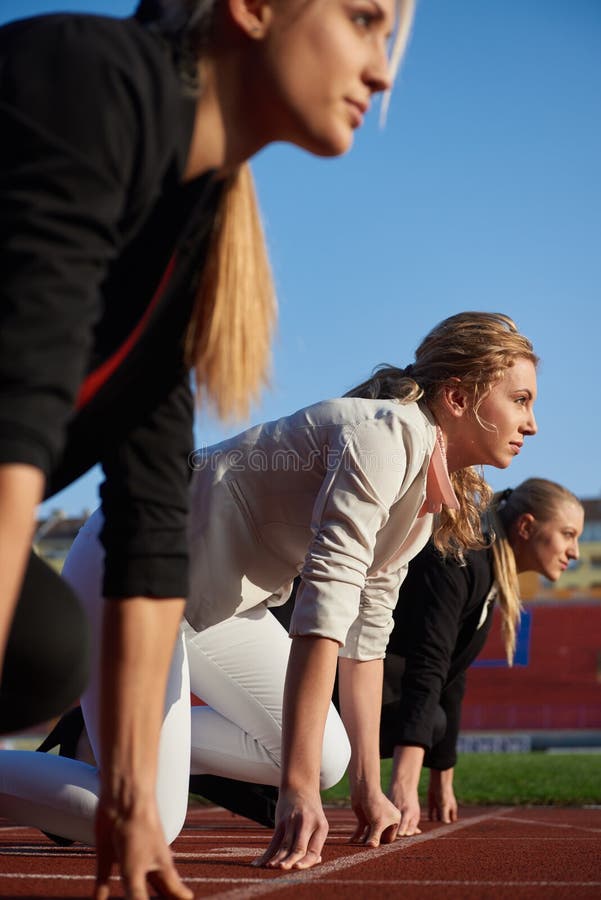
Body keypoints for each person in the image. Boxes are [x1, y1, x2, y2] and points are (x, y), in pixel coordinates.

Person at [0, 1, 415, 897]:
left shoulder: (191, 235)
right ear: (254, 9)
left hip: (149, 584)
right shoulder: (89, 79)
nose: (381, 71)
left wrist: (126, 807)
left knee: (39, 653)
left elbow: (150, 517)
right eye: (363, 19)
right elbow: (17, 404)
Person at [0, 310, 538, 873]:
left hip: (215, 606)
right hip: (129, 571)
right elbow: (322, 612)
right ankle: (124, 760)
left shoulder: (422, 505)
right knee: (155, 818)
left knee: (329, 756)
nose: (532, 424)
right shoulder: (383, 436)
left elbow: (363, 638)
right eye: (520, 399)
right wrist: (295, 791)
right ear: (457, 397)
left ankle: (106, 747)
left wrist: (367, 787)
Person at [380, 478, 584, 836]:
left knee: (438, 720)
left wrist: (442, 777)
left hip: (374, 684)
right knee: (295, 788)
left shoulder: (486, 567)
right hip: (338, 679)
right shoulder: (463, 557)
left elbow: (452, 676)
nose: (575, 551)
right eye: (568, 534)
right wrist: (404, 785)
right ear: (525, 527)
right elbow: (429, 665)